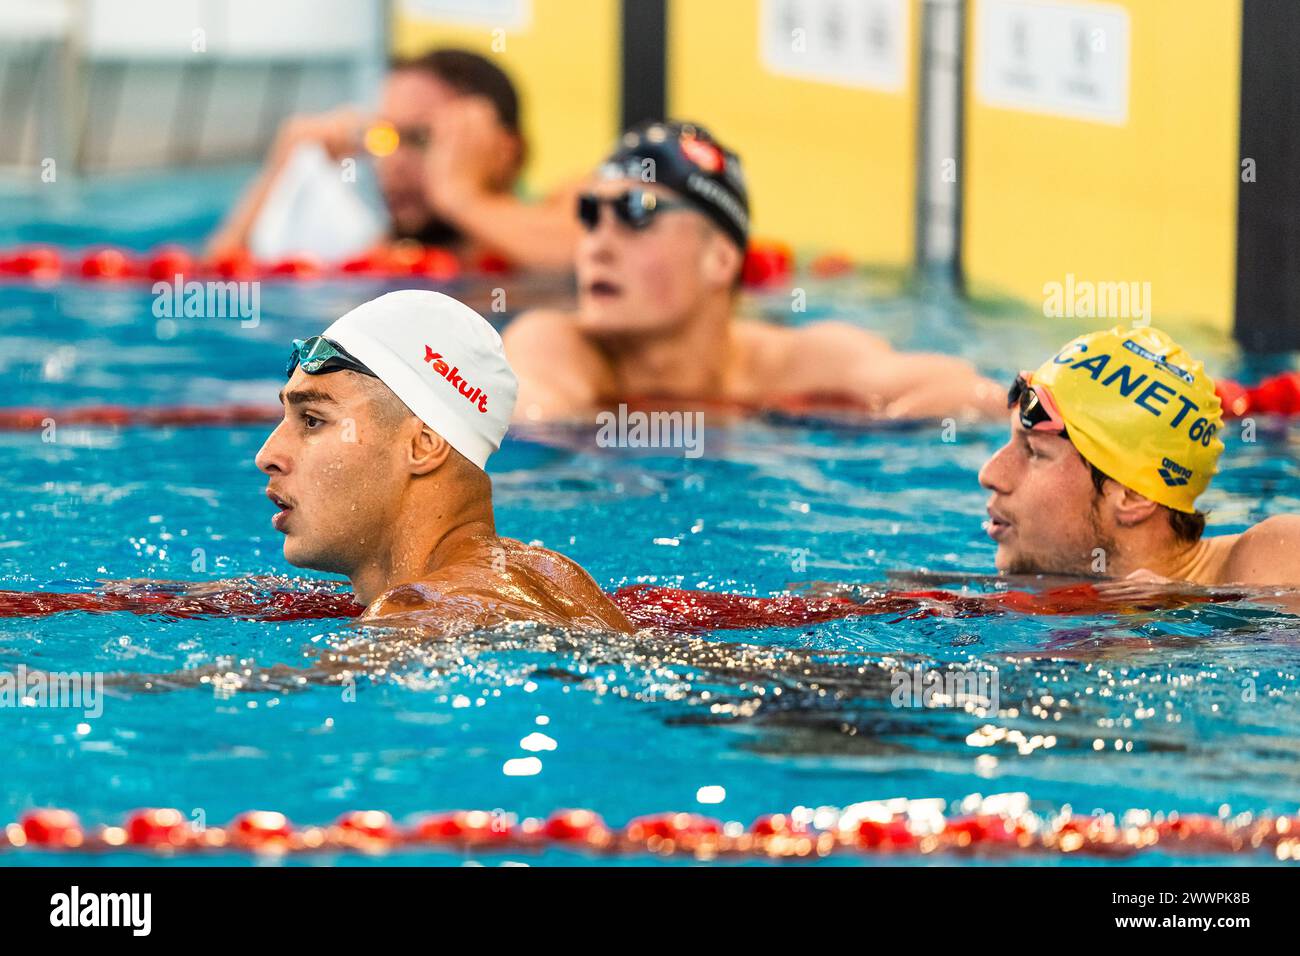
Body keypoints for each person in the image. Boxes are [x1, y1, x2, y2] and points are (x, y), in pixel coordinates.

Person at [503, 120, 1006, 422]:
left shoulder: (795, 364)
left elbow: (979, 394)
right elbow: (527, 413)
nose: (596, 247)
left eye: (637, 213)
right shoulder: (553, 344)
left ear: (719, 259)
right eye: (591, 216)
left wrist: (882, 421)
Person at [255, 289, 632, 631]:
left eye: (312, 420)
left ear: (422, 446)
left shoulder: (422, 613)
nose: (266, 456)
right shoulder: (552, 576)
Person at [979, 325, 1300, 586]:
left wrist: (1187, 604)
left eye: (1035, 451)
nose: (990, 474)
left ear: (1133, 495)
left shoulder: (1274, 557)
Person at [209, 49, 580, 269]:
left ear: (506, 152)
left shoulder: (566, 218)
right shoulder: (375, 258)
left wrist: (461, 197)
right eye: (385, 137)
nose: (395, 162)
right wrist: (283, 166)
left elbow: (583, 254)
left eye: (421, 138)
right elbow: (216, 286)